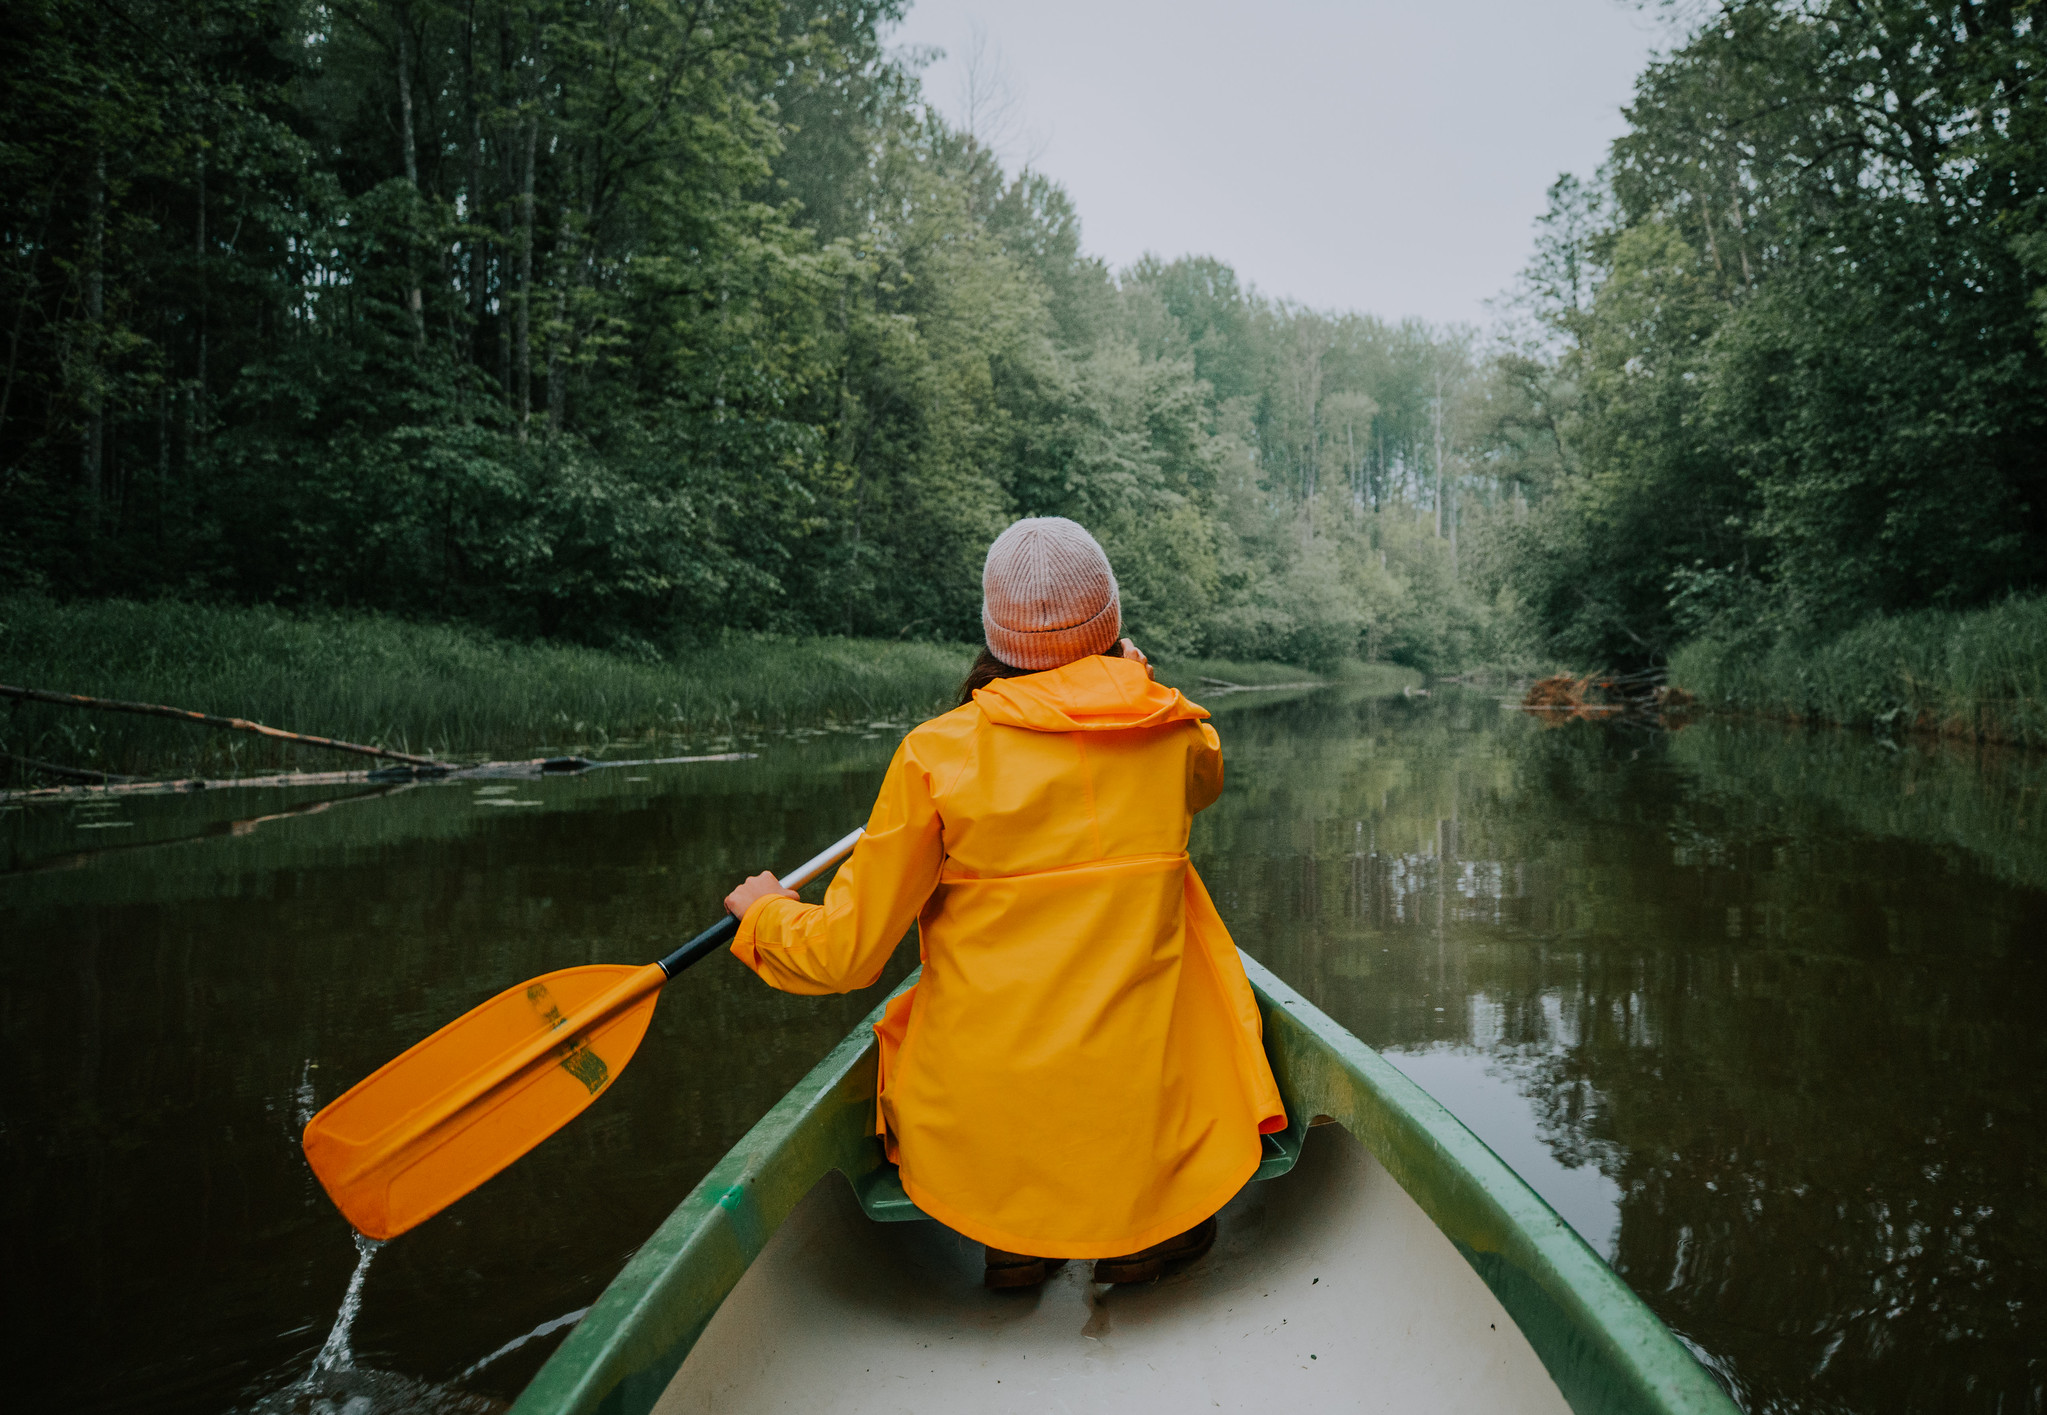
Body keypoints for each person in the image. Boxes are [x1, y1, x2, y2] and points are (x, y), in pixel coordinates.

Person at [722, 516, 1285, 1288]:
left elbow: (844, 956)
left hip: (982, 1136)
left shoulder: (936, 753)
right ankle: (1141, 1231)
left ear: (994, 634)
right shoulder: (1175, 731)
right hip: (1143, 1116)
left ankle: (1015, 1239)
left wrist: (764, 916)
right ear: (1112, 622)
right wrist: (1138, 685)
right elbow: (1204, 779)